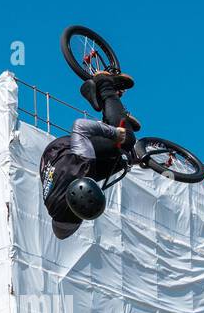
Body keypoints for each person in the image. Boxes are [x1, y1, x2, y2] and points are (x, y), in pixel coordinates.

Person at [39, 71, 140, 240]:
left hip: (67, 150)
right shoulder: (56, 206)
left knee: (126, 141)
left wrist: (116, 132)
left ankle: (105, 84)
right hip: (60, 163)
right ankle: (112, 108)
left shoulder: (81, 162)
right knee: (120, 160)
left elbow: (80, 126)